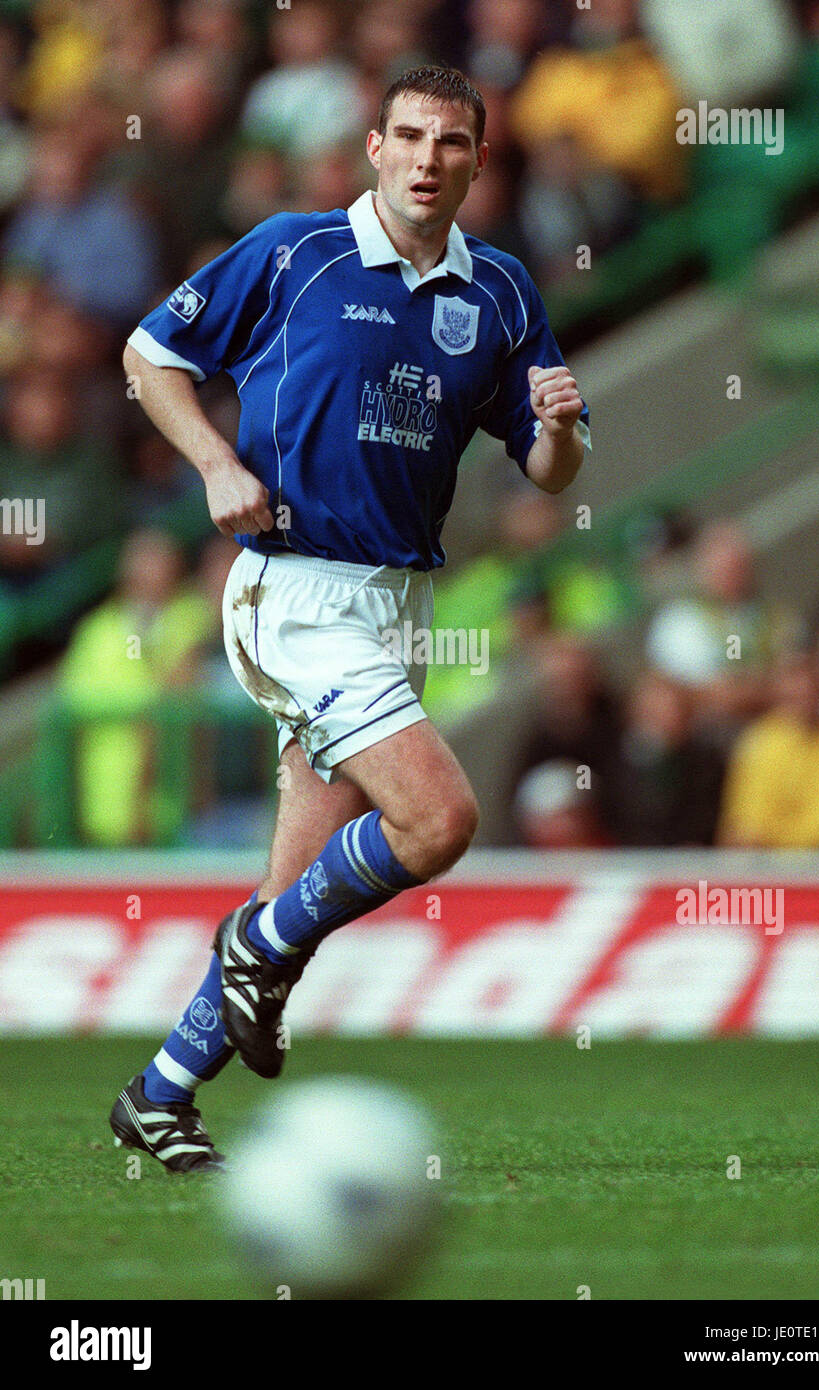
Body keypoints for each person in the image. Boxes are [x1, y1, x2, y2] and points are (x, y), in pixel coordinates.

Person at [112, 66, 590, 1171]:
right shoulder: (294, 250)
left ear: (478, 160)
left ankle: (160, 1093)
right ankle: (254, 950)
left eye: (453, 143)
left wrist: (559, 431)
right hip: (294, 586)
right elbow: (149, 355)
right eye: (410, 137)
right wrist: (215, 464)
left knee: (301, 887)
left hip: (397, 605)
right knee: (437, 821)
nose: (429, 159)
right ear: (372, 147)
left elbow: (548, 470)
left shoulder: (503, 292)